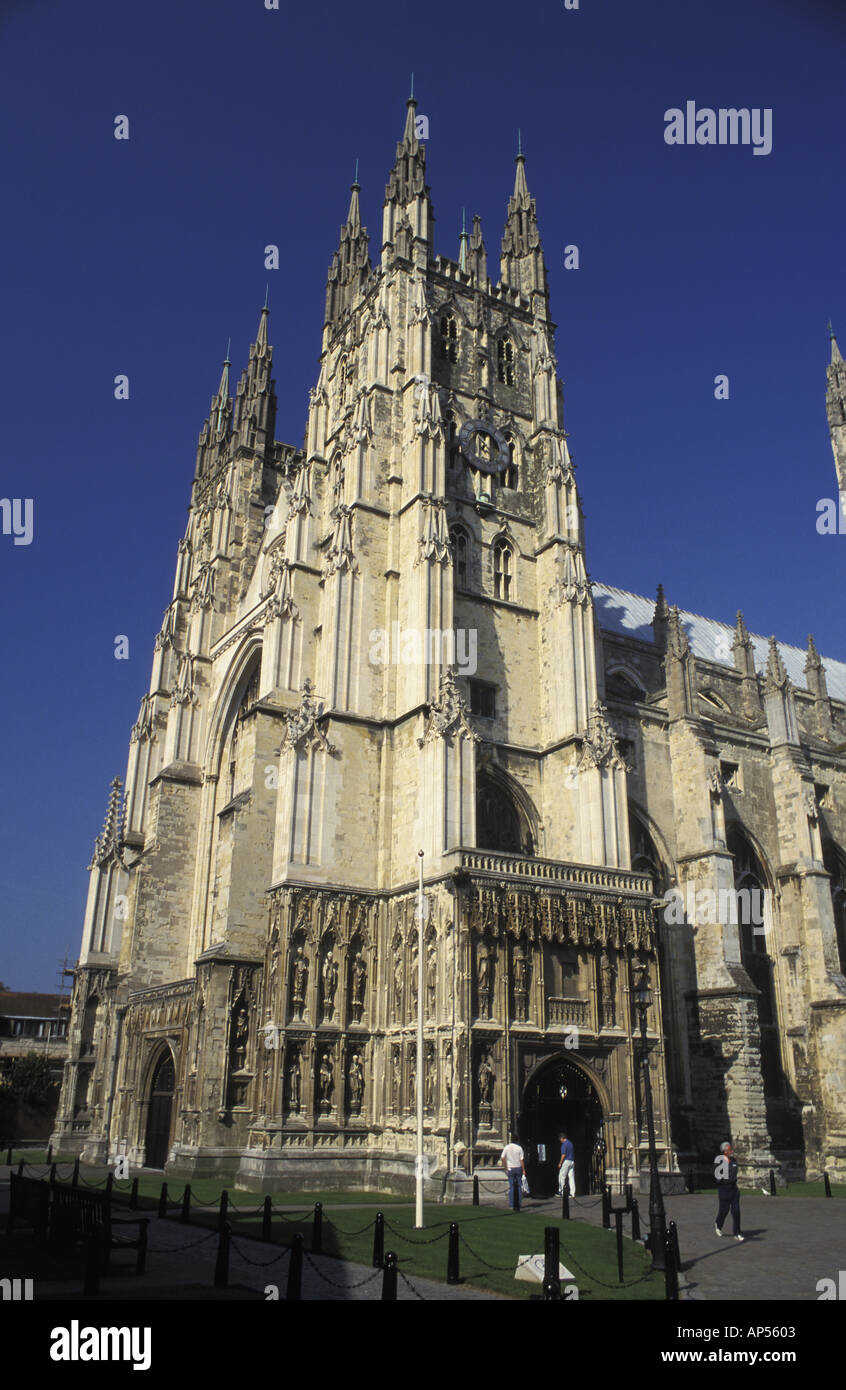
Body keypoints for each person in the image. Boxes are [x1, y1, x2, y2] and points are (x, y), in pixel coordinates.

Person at [714, 1140, 744, 1241]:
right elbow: (716, 1175)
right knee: (724, 1210)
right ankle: (718, 1224)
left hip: (734, 1189)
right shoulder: (719, 1161)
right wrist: (722, 1181)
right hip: (724, 1189)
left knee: (736, 1211)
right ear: (724, 1151)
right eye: (729, 1149)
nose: (731, 1151)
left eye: (731, 1149)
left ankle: (737, 1233)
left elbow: (735, 1173)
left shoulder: (734, 1161)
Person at [501, 1134, 527, 1211]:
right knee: (519, 1186)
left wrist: (505, 1167)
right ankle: (518, 1203)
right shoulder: (519, 1148)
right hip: (518, 1167)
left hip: (510, 1168)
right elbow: (521, 1160)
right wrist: (524, 1169)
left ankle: (512, 1204)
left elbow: (502, 1157)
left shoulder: (507, 1147)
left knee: (512, 1186)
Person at [557, 1131, 576, 1196]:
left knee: (562, 1176)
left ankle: (562, 1192)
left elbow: (563, 1155)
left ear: (562, 1138)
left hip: (566, 1161)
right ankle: (572, 1193)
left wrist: (560, 1163)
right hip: (572, 1161)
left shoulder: (564, 1144)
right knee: (571, 1177)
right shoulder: (571, 1143)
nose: (560, 1141)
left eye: (560, 1139)